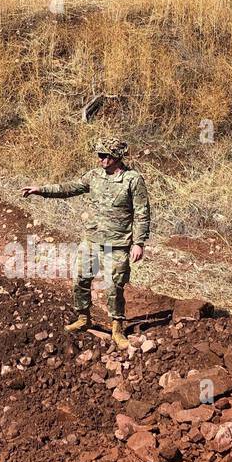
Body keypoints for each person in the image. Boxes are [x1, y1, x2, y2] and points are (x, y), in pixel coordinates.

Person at [21, 139, 151, 351]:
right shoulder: (94, 176)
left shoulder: (132, 180)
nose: (101, 159)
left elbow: (142, 213)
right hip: (91, 240)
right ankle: (84, 318)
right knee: (80, 279)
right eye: (99, 155)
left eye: (105, 155)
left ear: (116, 156)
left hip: (117, 243)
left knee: (114, 287)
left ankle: (117, 328)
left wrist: (139, 243)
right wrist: (40, 189)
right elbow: (69, 188)